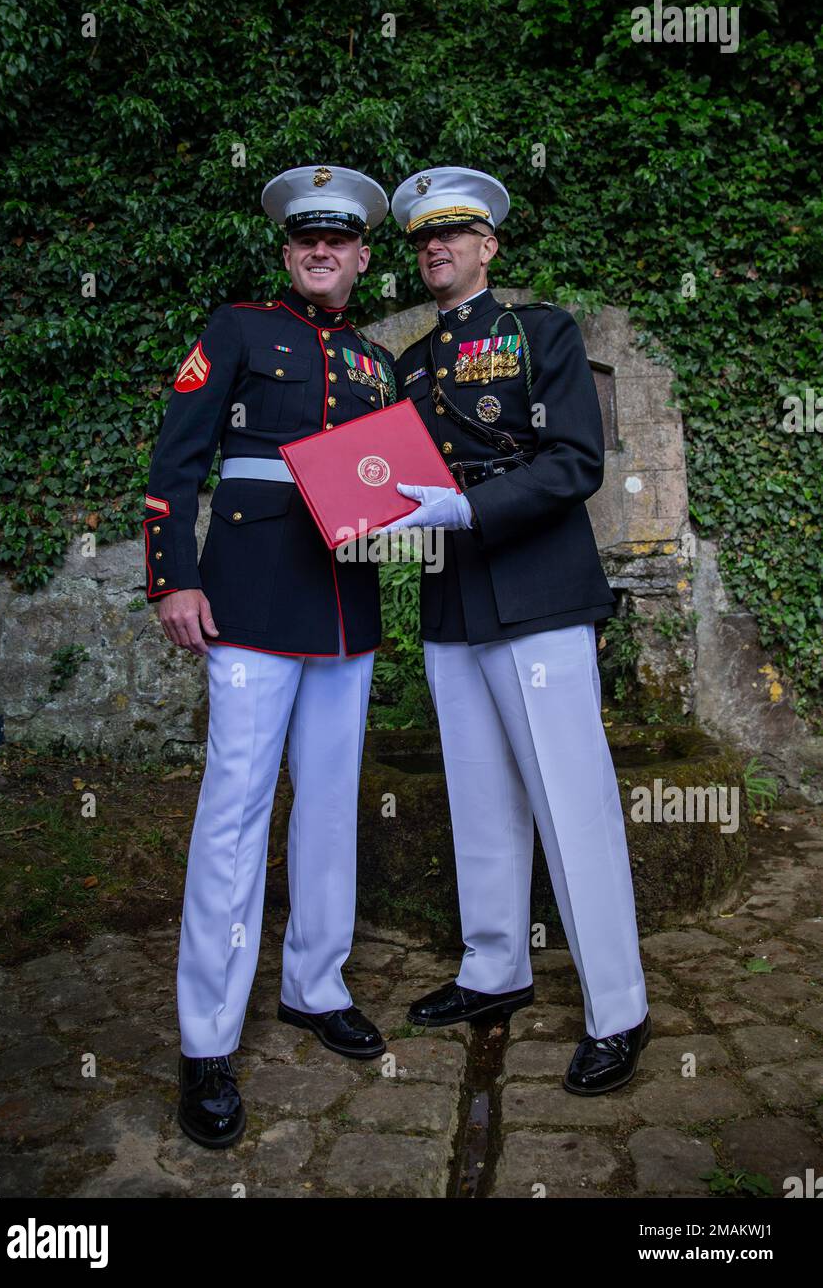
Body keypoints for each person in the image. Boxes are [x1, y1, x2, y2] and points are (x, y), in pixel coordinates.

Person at [142, 165, 397, 1147]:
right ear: (288, 252)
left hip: (345, 608)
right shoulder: (237, 329)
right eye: (305, 242)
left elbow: (385, 482)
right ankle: (205, 1039)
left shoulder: (377, 359)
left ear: (361, 257)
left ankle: (313, 982)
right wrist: (173, 576)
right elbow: (177, 459)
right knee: (234, 811)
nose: (321, 253)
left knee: (330, 804)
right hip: (246, 600)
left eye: (338, 242)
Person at [385, 166, 651, 1094]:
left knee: (571, 803)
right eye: (423, 239)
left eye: (452, 235)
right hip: (452, 600)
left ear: (488, 246)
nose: (436, 249)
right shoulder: (411, 365)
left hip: (536, 588)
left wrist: (468, 507)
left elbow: (576, 461)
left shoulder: (544, 334)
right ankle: (493, 969)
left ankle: (620, 1007)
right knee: (480, 798)